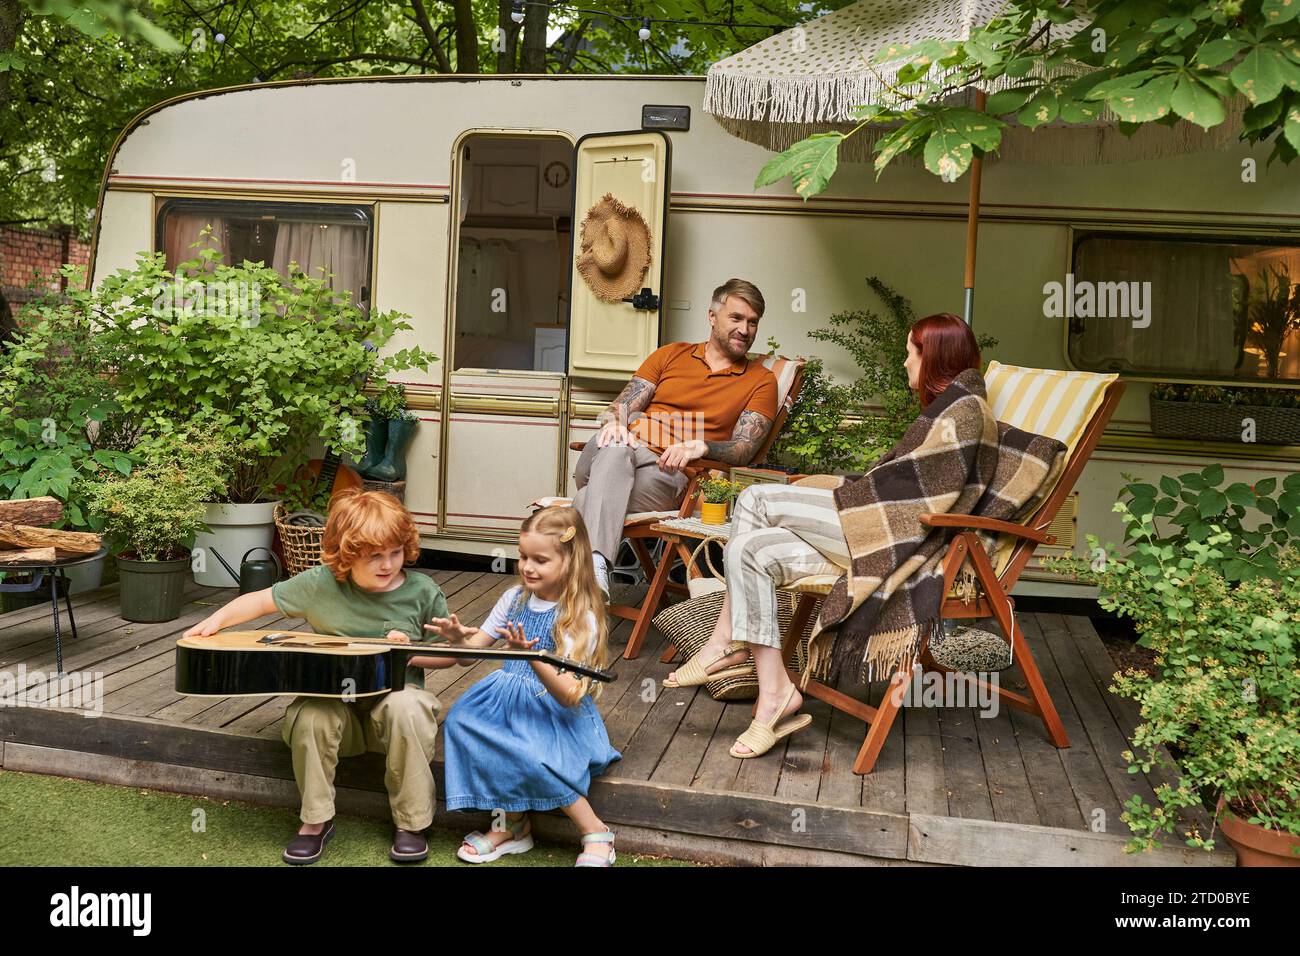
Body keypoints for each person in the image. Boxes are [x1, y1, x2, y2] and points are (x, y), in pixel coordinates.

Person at [665, 313, 999, 759]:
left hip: (894, 538)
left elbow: (925, 496)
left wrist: (851, 490)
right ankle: (774, 694)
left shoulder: (966, 411)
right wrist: (849, 486)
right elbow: (905, 480)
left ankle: (724, 641)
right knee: (748, 549)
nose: (904, 363)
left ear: (934, 356)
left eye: (909, 353)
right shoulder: (952, 407)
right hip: (874, 528)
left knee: (756, 500)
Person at [183, 489, 449, 865]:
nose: (388, 564)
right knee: (312, 714)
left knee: (407, 706)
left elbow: (450, 656)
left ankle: (412, 822)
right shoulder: (321, 584)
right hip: (337, 710)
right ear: (347, 554)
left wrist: (408, 652)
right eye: (375, 556)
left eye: (395, 552)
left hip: (394, 714)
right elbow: (260, 600)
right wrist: (215, 621)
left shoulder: (422, 591)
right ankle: (315, 821)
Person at [409, 507, 621, 866]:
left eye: (540, 559)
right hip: (505, 699)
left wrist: (533, 657)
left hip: (554, 710)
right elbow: (469, 655)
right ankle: (512, 825)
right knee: (462, 721)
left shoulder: (579, 613)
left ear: (570, 561)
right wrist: (441, 645)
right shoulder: (514, 599)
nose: (527, 567)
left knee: (530, 751)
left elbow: (570, 694)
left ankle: (595, 830)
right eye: (523, 556)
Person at [573, 278, 778, 595]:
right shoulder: (670, 355)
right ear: (712, 316)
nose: (745, 329)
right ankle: (595, 571)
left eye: (753, 322)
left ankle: (593, 572)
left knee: (585, 499)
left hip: (669, 473)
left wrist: (702, 446)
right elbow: (622, 406)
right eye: (736, 318)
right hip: (615, 452)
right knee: (616, 444)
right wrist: (616, 421)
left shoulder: (761, 381)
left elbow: (745, 450)